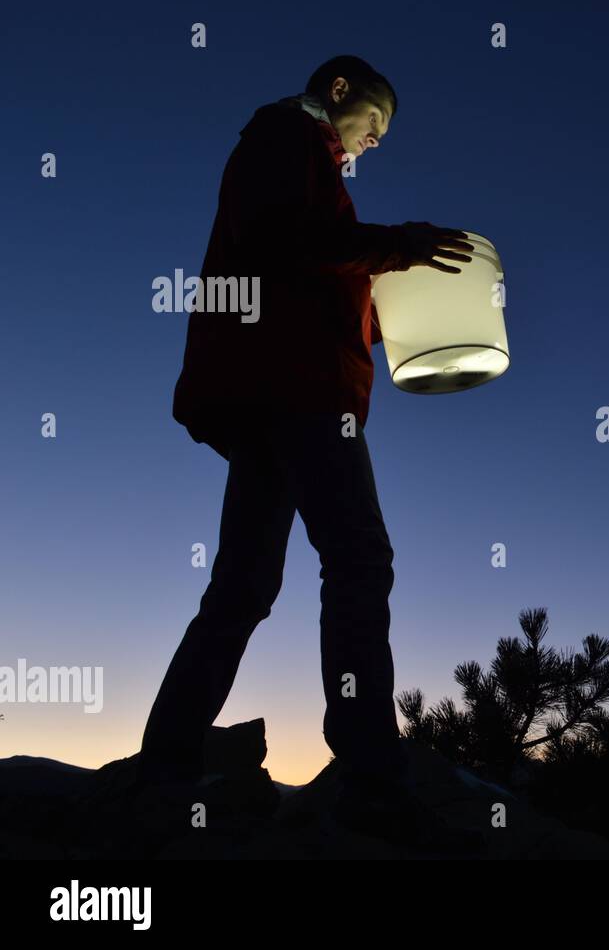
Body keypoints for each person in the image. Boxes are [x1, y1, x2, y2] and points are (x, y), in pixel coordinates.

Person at [139, 55, 480, 851]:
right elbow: (290, 243)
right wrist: (396, 245)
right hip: (299, 391)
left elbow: (309, 273)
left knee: (245, 584)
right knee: (358, 558)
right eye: (375, 123)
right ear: (338, 94)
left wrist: (398, 323)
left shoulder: (304, 161)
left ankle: (165, 758)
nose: (375, 140)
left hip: (270, 389)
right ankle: (370, 779)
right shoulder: (285, 137)